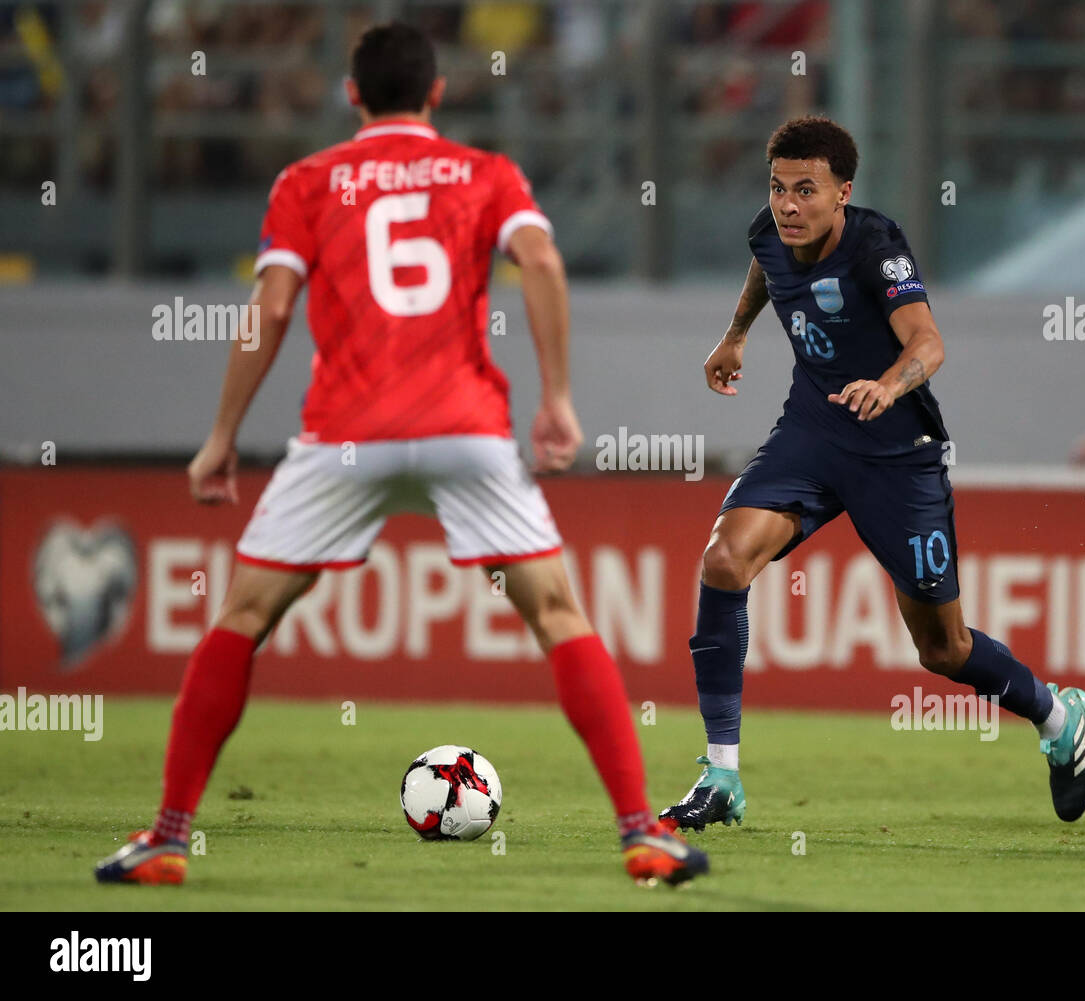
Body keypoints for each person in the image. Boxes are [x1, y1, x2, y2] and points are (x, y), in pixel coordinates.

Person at [95, 22, 706, 888]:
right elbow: (541, 260)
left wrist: (222, 436)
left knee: (243, 614)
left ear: (351, 94)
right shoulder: (486, 173)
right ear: (438, 93)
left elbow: (270, 310)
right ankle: (643, 834)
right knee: (558, 613)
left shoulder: (307, 182)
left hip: (346, 434)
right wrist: (559, 398)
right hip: (465, 426)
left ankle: (166, 837)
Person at [660, 116, 1085, 831]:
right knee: (722, 561)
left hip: (898, 451)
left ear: (842, 194)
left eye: (806, 190)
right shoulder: (770, 231)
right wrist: (735, 334)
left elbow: (928, 341)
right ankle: (722, 775)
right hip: (812, 431)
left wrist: (889, 386)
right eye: (777, 188)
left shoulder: (875, 245)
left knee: (943, 649)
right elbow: (765, 263)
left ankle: (1055, 714)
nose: (788, 205)